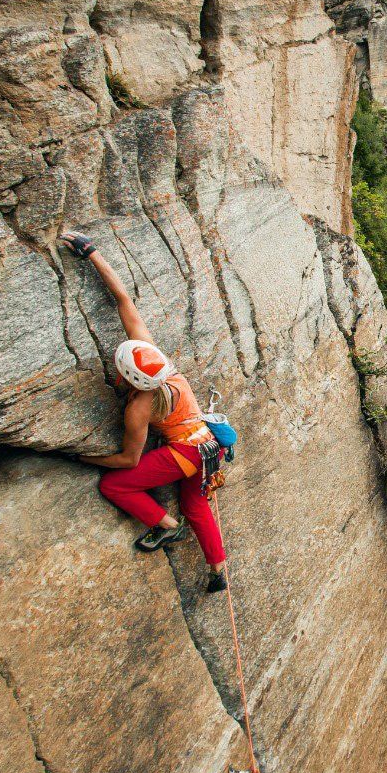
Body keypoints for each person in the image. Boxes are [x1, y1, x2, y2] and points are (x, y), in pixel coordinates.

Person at [59, 230, 228, 593]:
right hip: (210, 444)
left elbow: (127, 461)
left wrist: (83, 458)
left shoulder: (139, 407)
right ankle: (217, 571)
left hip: (185, 453)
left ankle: (167, 526)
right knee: (196, 505)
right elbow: (123, 300)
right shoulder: (158, 363)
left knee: (114, 486)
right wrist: (92, 253)